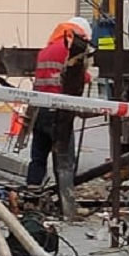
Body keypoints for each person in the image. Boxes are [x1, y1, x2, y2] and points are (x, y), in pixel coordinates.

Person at [26, 17, 93, 218]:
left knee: (38, 156)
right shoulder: (70, 48)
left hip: (40, 109)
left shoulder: (46, 50)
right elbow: (75, 75)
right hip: (59, 111)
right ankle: (66, 203)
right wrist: (90, 75)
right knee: (65, 158)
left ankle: (31, 198)